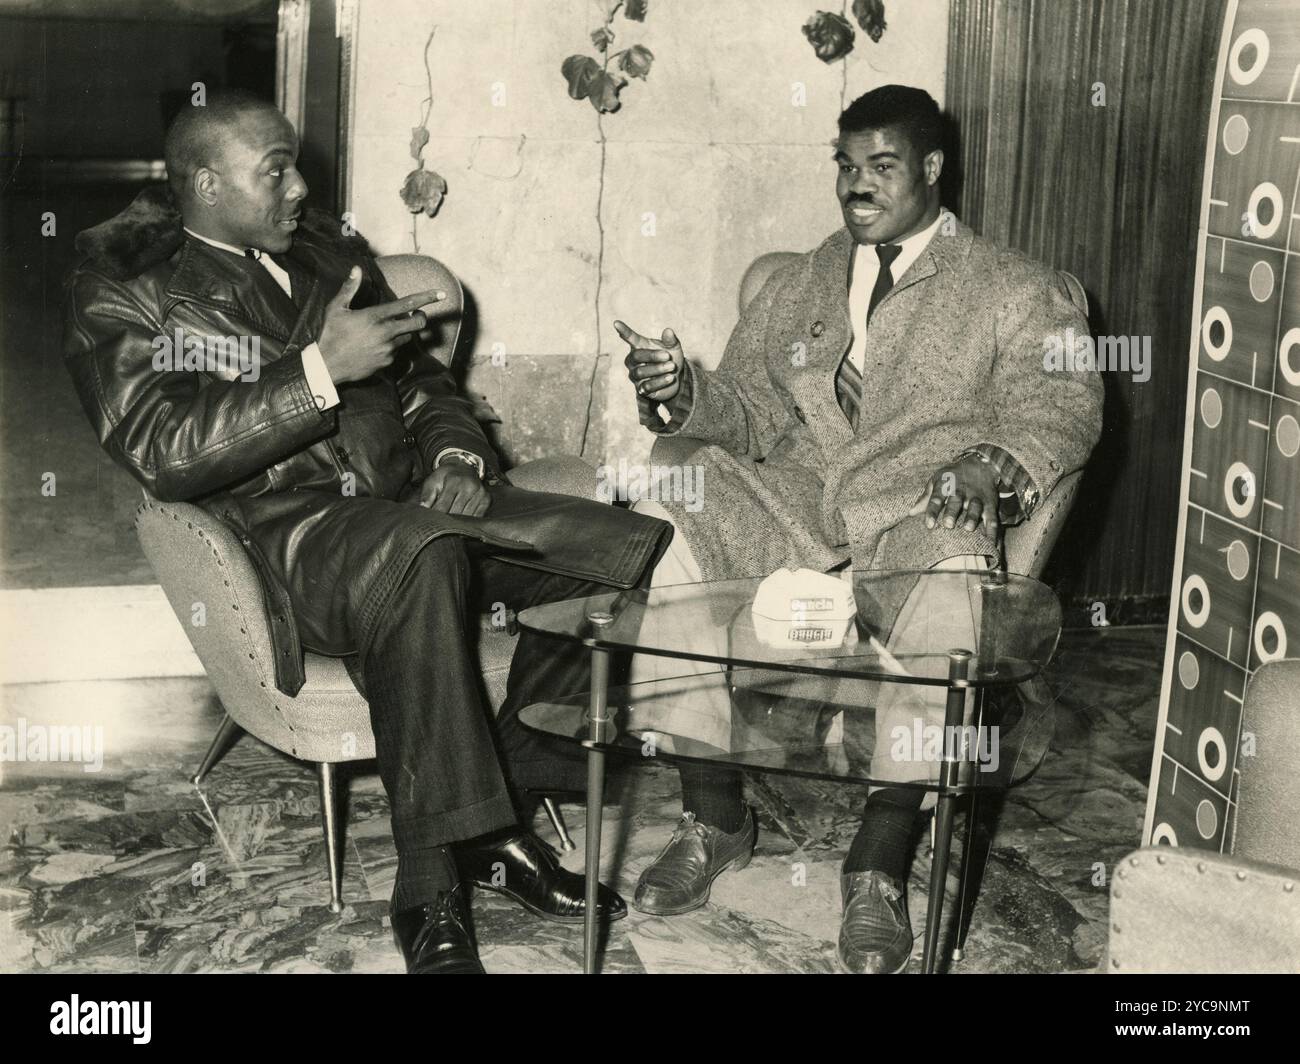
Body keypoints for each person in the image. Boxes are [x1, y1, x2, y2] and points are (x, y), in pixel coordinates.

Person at [64, 90, 671, 974]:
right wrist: (316, 373)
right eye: (275, 170)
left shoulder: (329, 255)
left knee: (625, 553)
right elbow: (161, 447)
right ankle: (429, 886)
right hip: (291, 536)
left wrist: (459, 461)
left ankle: (494, 802)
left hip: (416, 503)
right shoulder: (126, 287)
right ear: (204, 182)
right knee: (418, 556)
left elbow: (425, 385)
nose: (300, 187)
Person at [614, 84, 1102, 973]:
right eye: (846, 167)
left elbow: (1061, 406)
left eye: (880, 167)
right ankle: (714, 814)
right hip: (799, 505)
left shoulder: (1012, 287)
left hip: (922, 509)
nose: (856, 187)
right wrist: (683, 390)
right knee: (671, 511)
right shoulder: (805, 276)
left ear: (931, 167)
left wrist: (988, 466)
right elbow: (749, 414)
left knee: (954, 574)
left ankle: (877, 864)